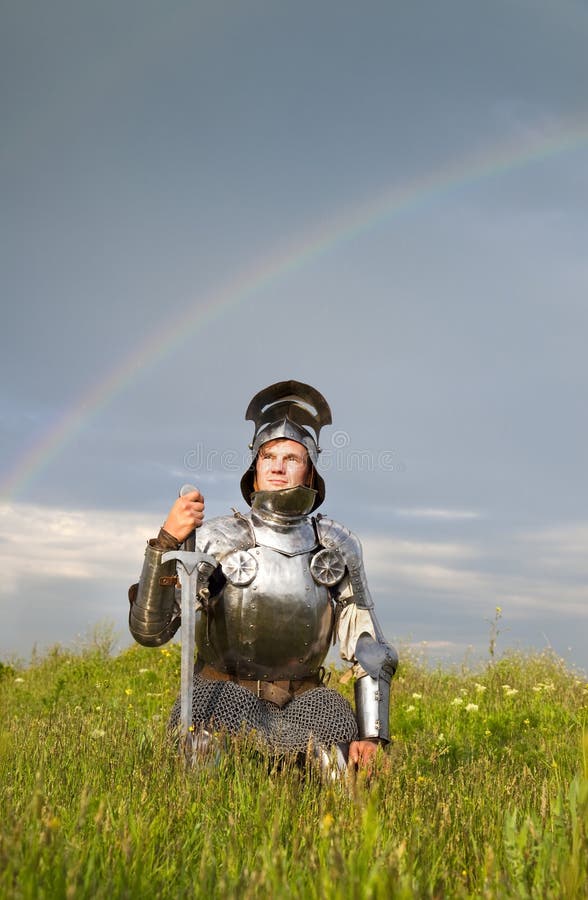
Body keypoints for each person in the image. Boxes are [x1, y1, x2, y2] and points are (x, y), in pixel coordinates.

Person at [128, 380, 397, 773]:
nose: (277, 466)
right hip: (221, 696)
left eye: (291, 457)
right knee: (203, 761)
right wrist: (168, 540)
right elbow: (151, 632)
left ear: (310, 471)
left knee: (340, 770)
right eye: (268, 455)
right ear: (255, 466)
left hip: (306, 703)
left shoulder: (335, 544)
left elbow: (368, 645)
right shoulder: (218, 539)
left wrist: (372, 735)